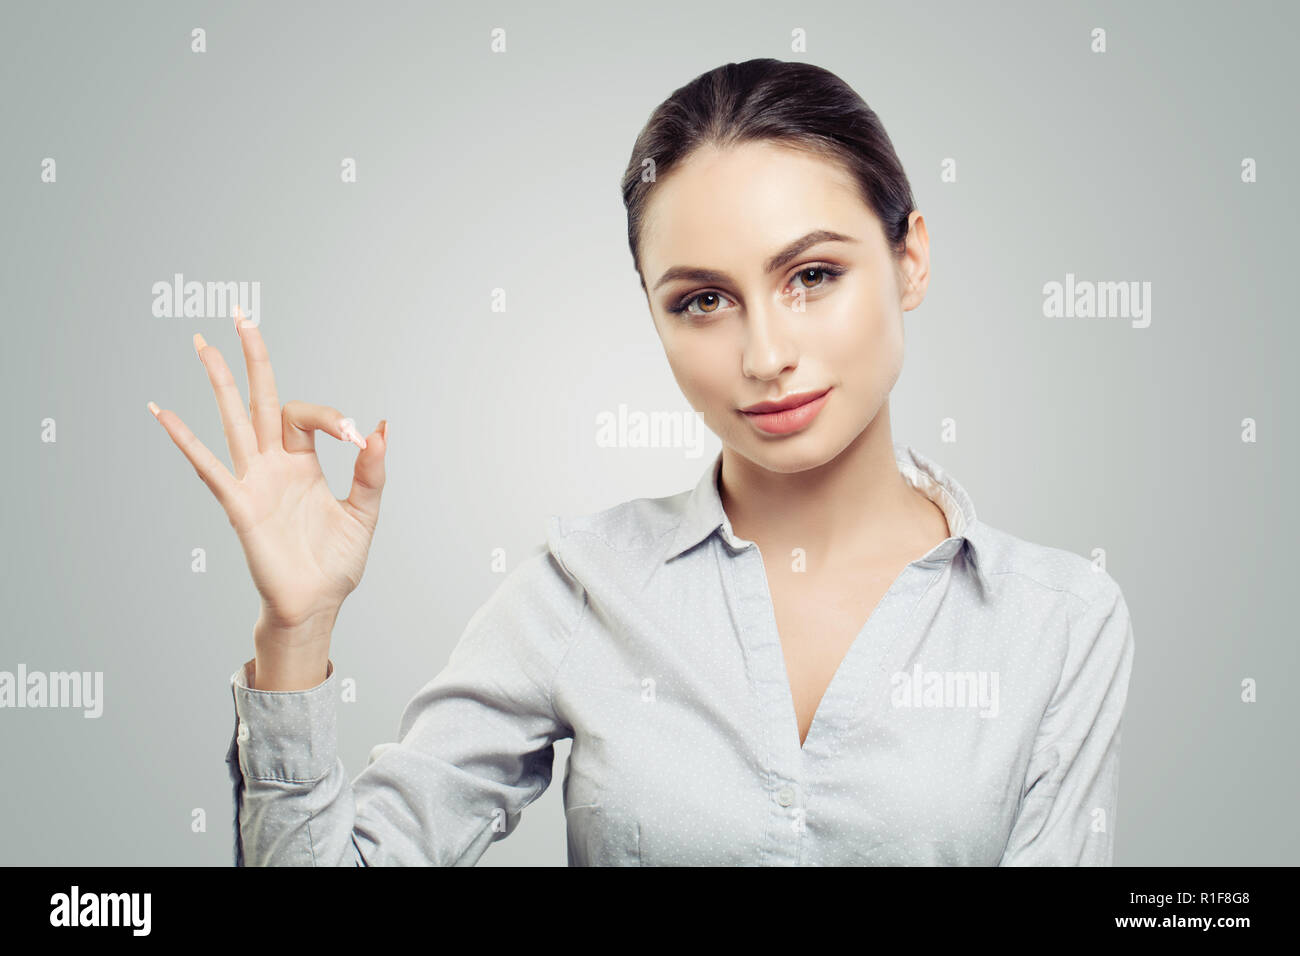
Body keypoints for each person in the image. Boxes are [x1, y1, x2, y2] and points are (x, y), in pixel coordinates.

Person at [148, 58, 1135, 866]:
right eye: (701, 299)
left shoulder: (1058, 622)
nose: (763, 354)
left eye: (813, 275)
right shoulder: (584, 588)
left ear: (909, 257)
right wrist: (298, 628)